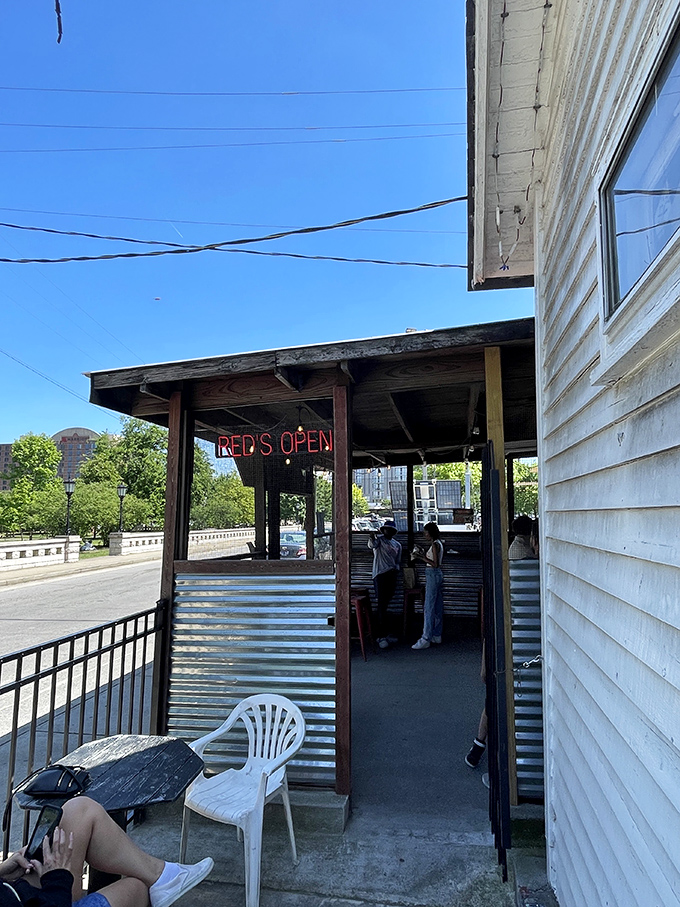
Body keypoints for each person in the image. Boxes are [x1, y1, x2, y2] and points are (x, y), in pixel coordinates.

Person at [0, 797, 213, 907]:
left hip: (17, 892)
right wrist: (57, 878)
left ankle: (160, 875)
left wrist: (2, 872)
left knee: (79, 810)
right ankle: (161, 879)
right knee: (137, 888)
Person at [367, 520, 402, 649]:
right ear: (383, 530)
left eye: (390, 529)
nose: (388, 531)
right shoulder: (378, 541)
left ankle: (385, 634)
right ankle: (379, 635)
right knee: (381, 604)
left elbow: (398, 561)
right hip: (380, 575)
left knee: (386, 604)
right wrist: (371, 536)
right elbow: (372, 545)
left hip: (391, 575)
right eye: (386, 529)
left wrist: (395, 571)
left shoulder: (397, 544)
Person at [410, 522, 444, 650]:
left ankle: (425, 638)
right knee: (437, 606)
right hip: (437, 575)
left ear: (431, 533)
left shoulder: (435, 545)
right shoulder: (438, 543)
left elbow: (434, 564)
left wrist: (421, 557)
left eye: (425, 532)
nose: (424, 534)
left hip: (432, 573)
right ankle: (436, 634)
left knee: (429, 607)